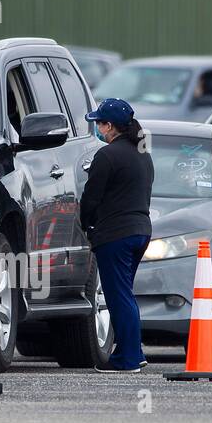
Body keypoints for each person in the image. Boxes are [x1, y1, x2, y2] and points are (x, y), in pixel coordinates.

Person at [80, 97, 154, 372]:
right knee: (125, 293)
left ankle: (128, 359)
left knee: (118, 296)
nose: (97, 129)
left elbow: (91, 198)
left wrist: (86, 224)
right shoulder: (143, 154)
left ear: (109, 126)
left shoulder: (107, 155)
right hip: (141, 231)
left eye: (99, 123)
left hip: (115, 236)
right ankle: (132, 350)